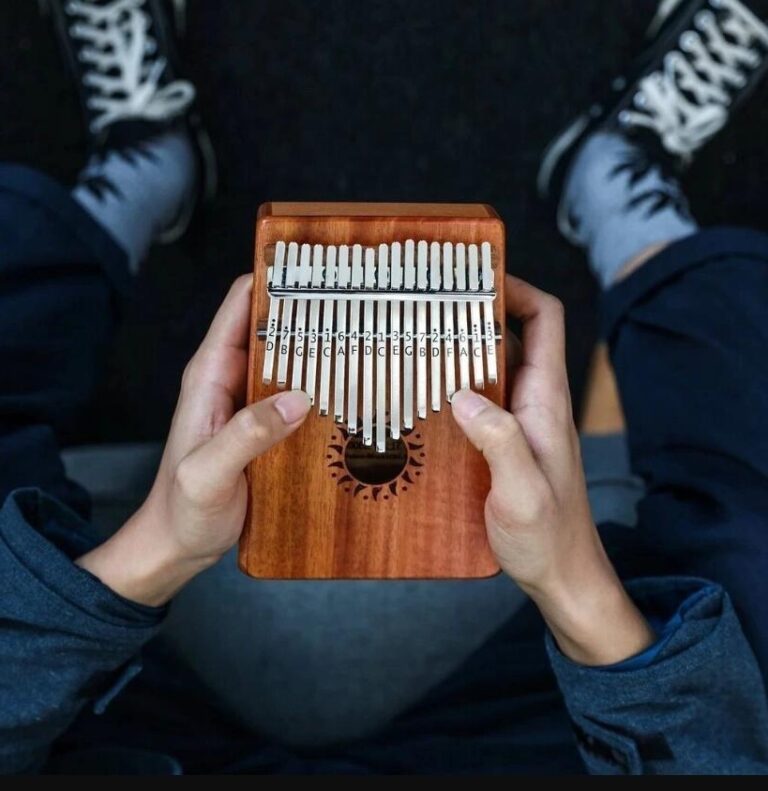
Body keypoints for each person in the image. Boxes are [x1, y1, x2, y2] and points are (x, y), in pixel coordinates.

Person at [1, 0, 768, 775]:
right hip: (521, 750)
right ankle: (628, 197)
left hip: (124, 740)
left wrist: (154, 550)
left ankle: (136, 172)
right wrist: (577, 592)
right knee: (749, 577)